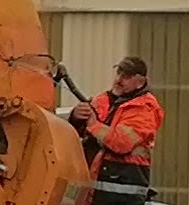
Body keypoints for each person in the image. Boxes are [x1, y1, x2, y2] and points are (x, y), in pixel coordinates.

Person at [70, 55, 168, 186]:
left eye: (127, 76)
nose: (119, 79)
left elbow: (121, 143)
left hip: (122, 190)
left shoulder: (144, 110)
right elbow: (77, 135)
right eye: (118, 73)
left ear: (140, 82)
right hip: (95, 185)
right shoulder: (102, 100)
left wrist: (93, 124)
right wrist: (76, 117)